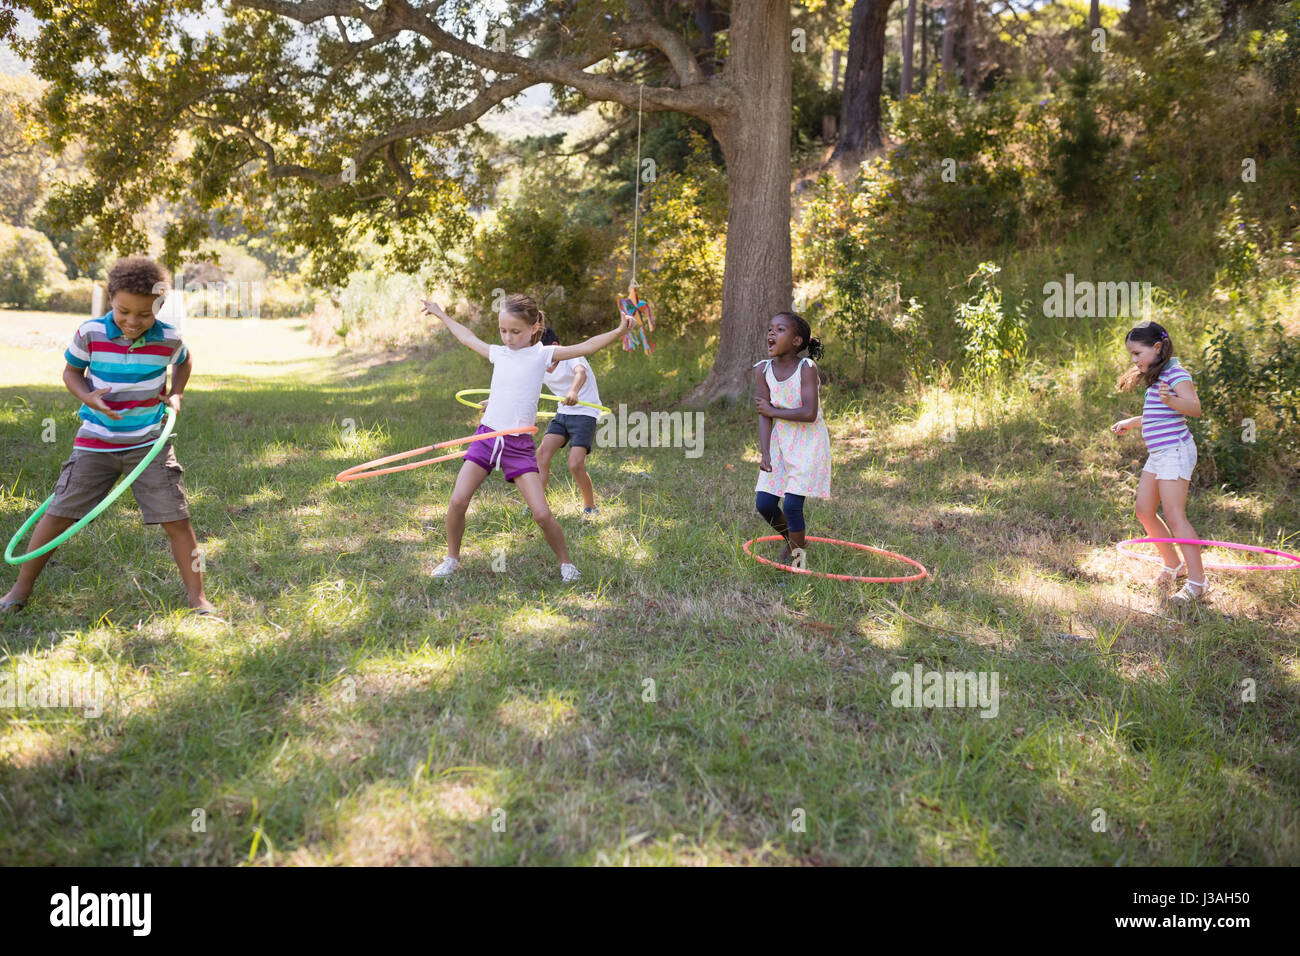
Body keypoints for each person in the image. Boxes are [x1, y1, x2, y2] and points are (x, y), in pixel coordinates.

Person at [2, 257, 215, 615]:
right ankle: (18, 591)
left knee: (178, 519)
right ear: (111, 299)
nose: (133, 322)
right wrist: (85, 396)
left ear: (158, 307)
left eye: (144, 314)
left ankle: (198, 598)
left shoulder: (168, 338)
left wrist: (176, 392)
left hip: (148, 444)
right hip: (95, 443)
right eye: (123, 311)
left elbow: (185, 359)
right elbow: (71, 371)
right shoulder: (91, 333)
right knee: (59, 513)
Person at [421, 294, 630, 581]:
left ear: (534, 328)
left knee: (542, 515)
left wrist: (619, 332)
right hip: (488, 436)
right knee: (457, 501)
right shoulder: (499, 353)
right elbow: (467, 337)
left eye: (515, 331)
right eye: (503, 331)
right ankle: (452, 558)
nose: (508, 337)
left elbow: (586, 346)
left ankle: (566, 564)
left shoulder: (543, 354)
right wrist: (442, 315)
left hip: (518, 445)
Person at [1110, 320, 1207, 604]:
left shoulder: (1176, 374)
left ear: (1156, 347)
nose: (1134, 360)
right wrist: (1132, 422)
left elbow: (1194, 408)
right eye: (1131, 355)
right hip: (1160, 454)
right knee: (1143, 510)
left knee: (1176, 515)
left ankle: (1198, 582)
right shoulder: (1158, 375)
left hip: (1175, 452)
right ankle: (1173, 564)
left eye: (1137, 354)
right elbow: (1158, 414)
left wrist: (1173, 399)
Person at [753, 312, 831, 566]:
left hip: (808, 443)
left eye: (780, 329)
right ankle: (794, 540)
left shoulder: (806, 368)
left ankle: (798, 561)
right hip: (779, 443)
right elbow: (763, 416)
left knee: (792, 506)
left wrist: (774, 411)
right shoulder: (763, 370)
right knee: (764, 502)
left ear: (797, 341)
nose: (771, 333)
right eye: (770, 329)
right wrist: (765, 452)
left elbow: (809, 413)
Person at [536, 328, 604, 517]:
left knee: (575, 464)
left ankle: (590, 507)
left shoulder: (570, 355)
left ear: (555, 347)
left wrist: (573, 391)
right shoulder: (539, 364)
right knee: (541, 455)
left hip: (585, 412)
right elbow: (521, 391)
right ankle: (537, 505)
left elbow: (580, 373)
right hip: (563, 412)